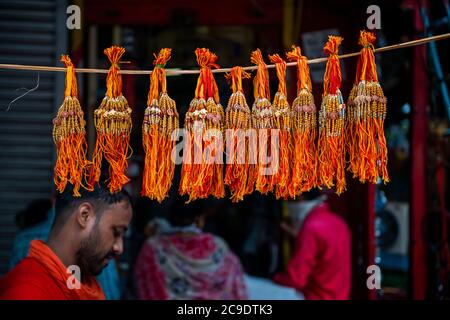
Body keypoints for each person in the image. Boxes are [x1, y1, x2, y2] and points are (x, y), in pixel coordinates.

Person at [0, 184, 133, 300]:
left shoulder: (78, 280)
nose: (119, 248)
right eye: (116, 232)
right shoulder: (27, 292)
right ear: (85, 215)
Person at [134, 199, 248, 300]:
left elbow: (142, 285)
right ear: (199, 220)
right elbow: (236, 290)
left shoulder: (153, 247)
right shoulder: (220, 248)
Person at [273, 190, 352, 300]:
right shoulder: (339, 224)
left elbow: (296, 279)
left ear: (300, 196)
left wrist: (274, 279)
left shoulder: (311, 228)